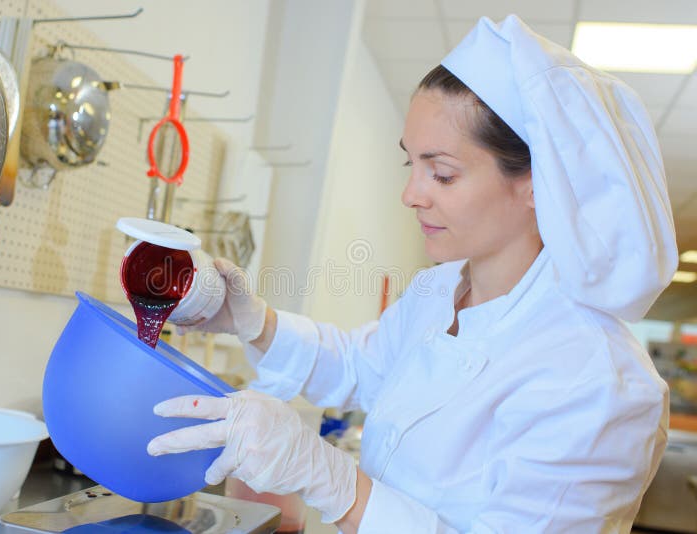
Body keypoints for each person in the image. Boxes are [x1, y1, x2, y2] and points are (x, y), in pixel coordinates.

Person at [146, 15, 679, 533]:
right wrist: (254, 322)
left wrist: (334, 482)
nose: (411, 195)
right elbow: (360, 366)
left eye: (442, 174)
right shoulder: (440, 289)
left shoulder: (597, 381)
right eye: (412, 165)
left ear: (540, 184)